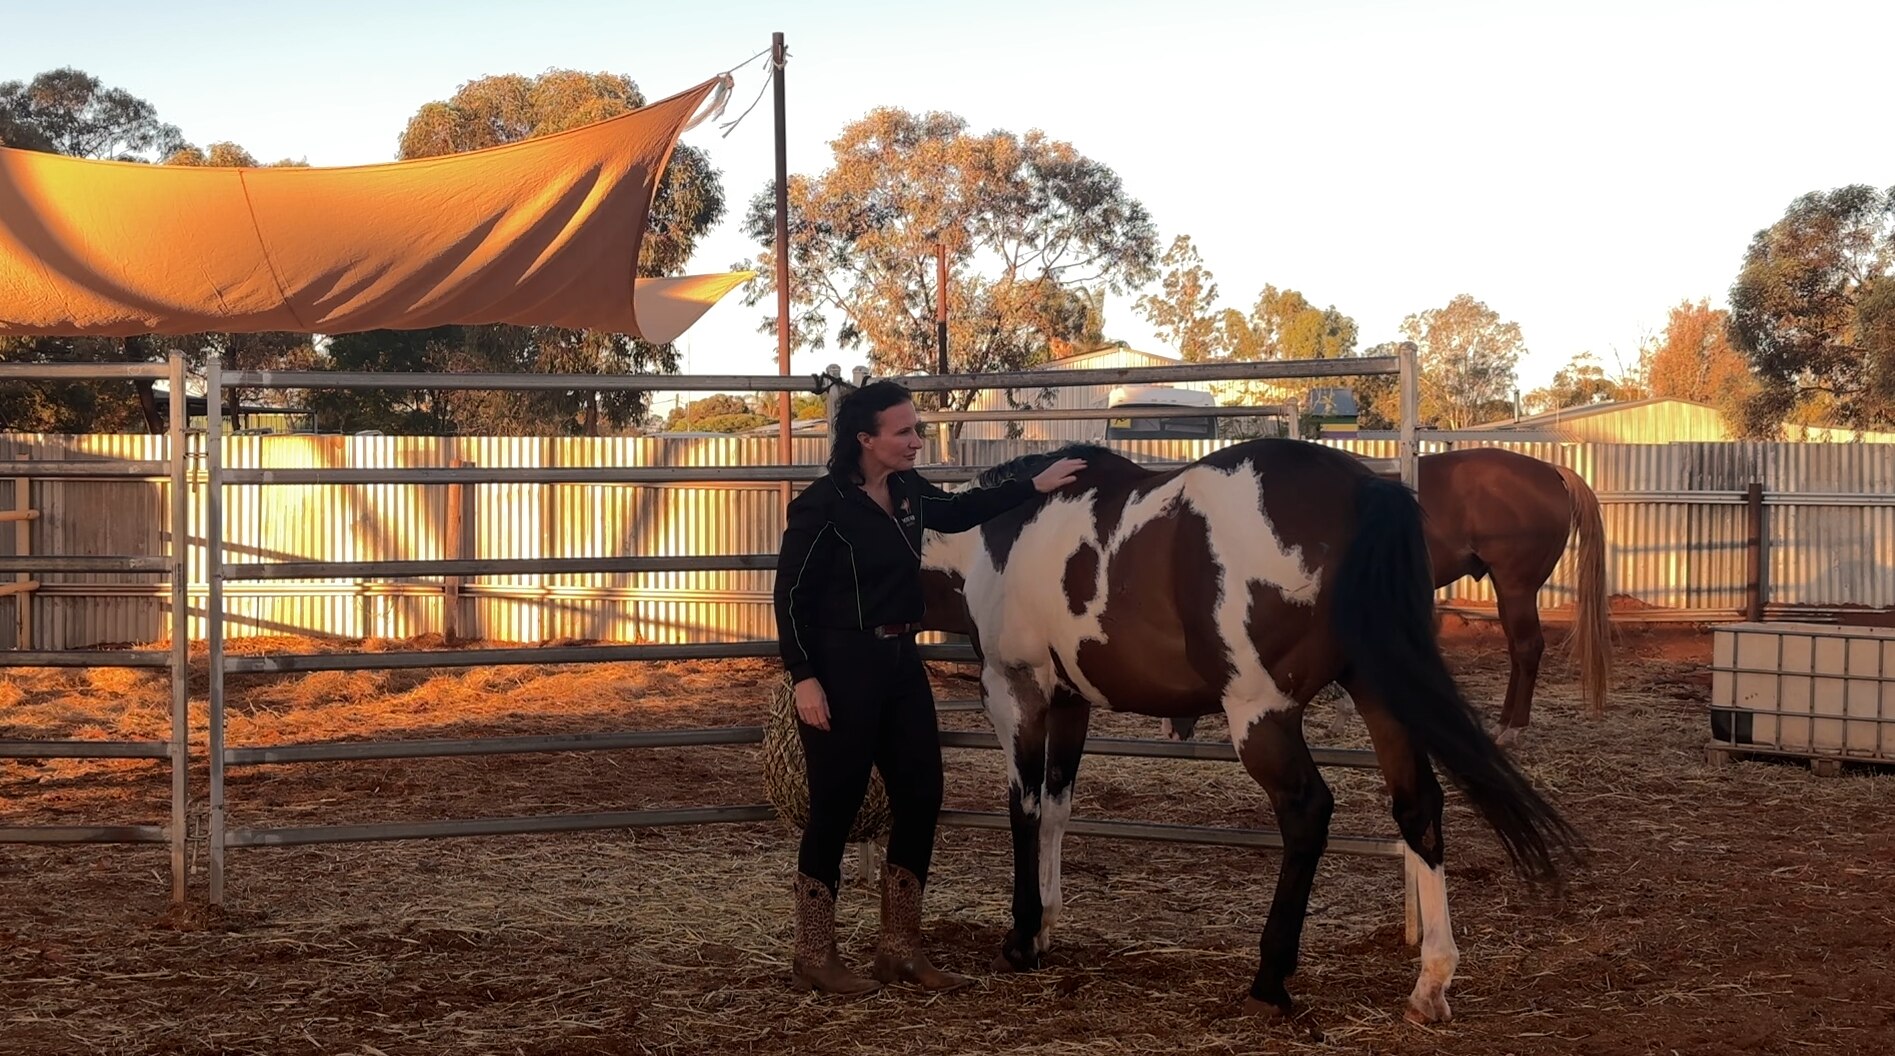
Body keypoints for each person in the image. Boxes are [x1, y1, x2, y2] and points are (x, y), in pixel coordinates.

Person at [773, 379, 1085, 995]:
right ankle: (813, 954)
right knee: (834, 807)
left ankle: (900, 949)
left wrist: (1033, 486)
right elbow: (789, 599)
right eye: (905, 432)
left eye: (916, 429)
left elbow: (962, 512)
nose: (917, 441)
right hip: (840, 665)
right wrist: (804, 677)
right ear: (866, 439)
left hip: (899, 663)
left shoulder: (909, 492)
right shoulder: (821, 507)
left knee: (921, 796)